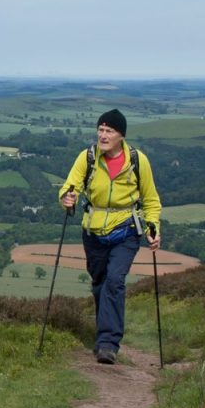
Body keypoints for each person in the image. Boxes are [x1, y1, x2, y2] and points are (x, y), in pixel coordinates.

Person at [59, 109, 161, 364]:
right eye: (101, 130)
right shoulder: (88, 157)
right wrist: (66, 198)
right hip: (93, 232)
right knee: (99, 284)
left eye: (109, 131)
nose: (103, 135)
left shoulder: (138, 161)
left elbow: (150, 200)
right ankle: (103, 332)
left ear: (121, 136)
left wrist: (152, 227)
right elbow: (69, 186)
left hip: (125, 231)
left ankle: (108, 343)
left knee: (115, 281)